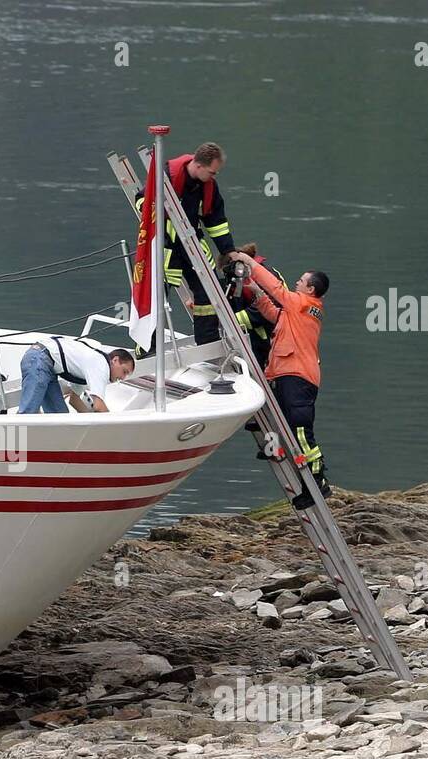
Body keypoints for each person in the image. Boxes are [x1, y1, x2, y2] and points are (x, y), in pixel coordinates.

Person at [232, 252, 331, 509]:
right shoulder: (298, 310)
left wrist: (251, 264)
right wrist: (255, 291)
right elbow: (273, 313)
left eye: (300, 281)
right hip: (288, 372)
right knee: (281, 420)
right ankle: (274, 449)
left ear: (310, 288)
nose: (296, 283)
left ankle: (318, 479)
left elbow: (277, 288)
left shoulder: (303, 304)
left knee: (299, 428)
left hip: (298, 374)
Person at [135, 142, 236, 345]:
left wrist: (229, 251)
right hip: (165, 247)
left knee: (208, 292)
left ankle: (207, 344)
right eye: (212, 172)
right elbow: (141, 202)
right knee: (156, 297)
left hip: (192, 246)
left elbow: (216, 222)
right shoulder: (166, 176)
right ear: (198, 165)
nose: (214, 176)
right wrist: (157, 214)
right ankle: (147, 347)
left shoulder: (208, 186)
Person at [17, 336, 135, 414]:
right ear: (115, 360)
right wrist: (114, 427)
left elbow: (74, 400)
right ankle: (14, 446)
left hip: (48, 366)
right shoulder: (101, 366)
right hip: (39, 358)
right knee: (28, 412)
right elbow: (99, 406)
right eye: (124, 371)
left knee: (61, 418)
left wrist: (89, 422)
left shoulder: (89, 371)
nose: (123, 378)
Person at [225, 242, 287, 369]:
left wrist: (230, 322)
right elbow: (236, 302)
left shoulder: (264, 275)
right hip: (258, 338)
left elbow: (263, 310)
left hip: (273, 338)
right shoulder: (241, 280)